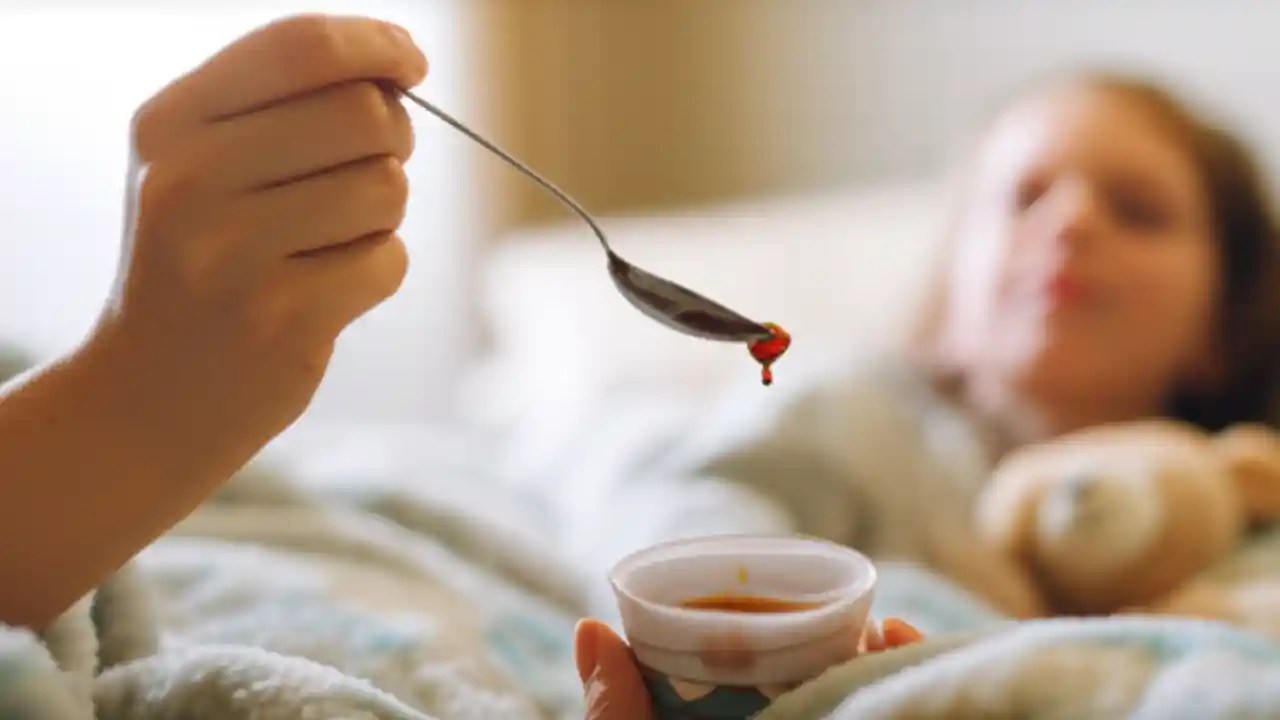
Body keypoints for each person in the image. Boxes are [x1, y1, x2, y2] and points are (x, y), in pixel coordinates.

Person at [568, 71, 1280, 716]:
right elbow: (682, 514)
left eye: (1136, 211)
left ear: (1222, 326)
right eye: (1022, 197)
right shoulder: (860, 413)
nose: (1071, 220)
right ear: (952, 303)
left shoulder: (1235, 501)